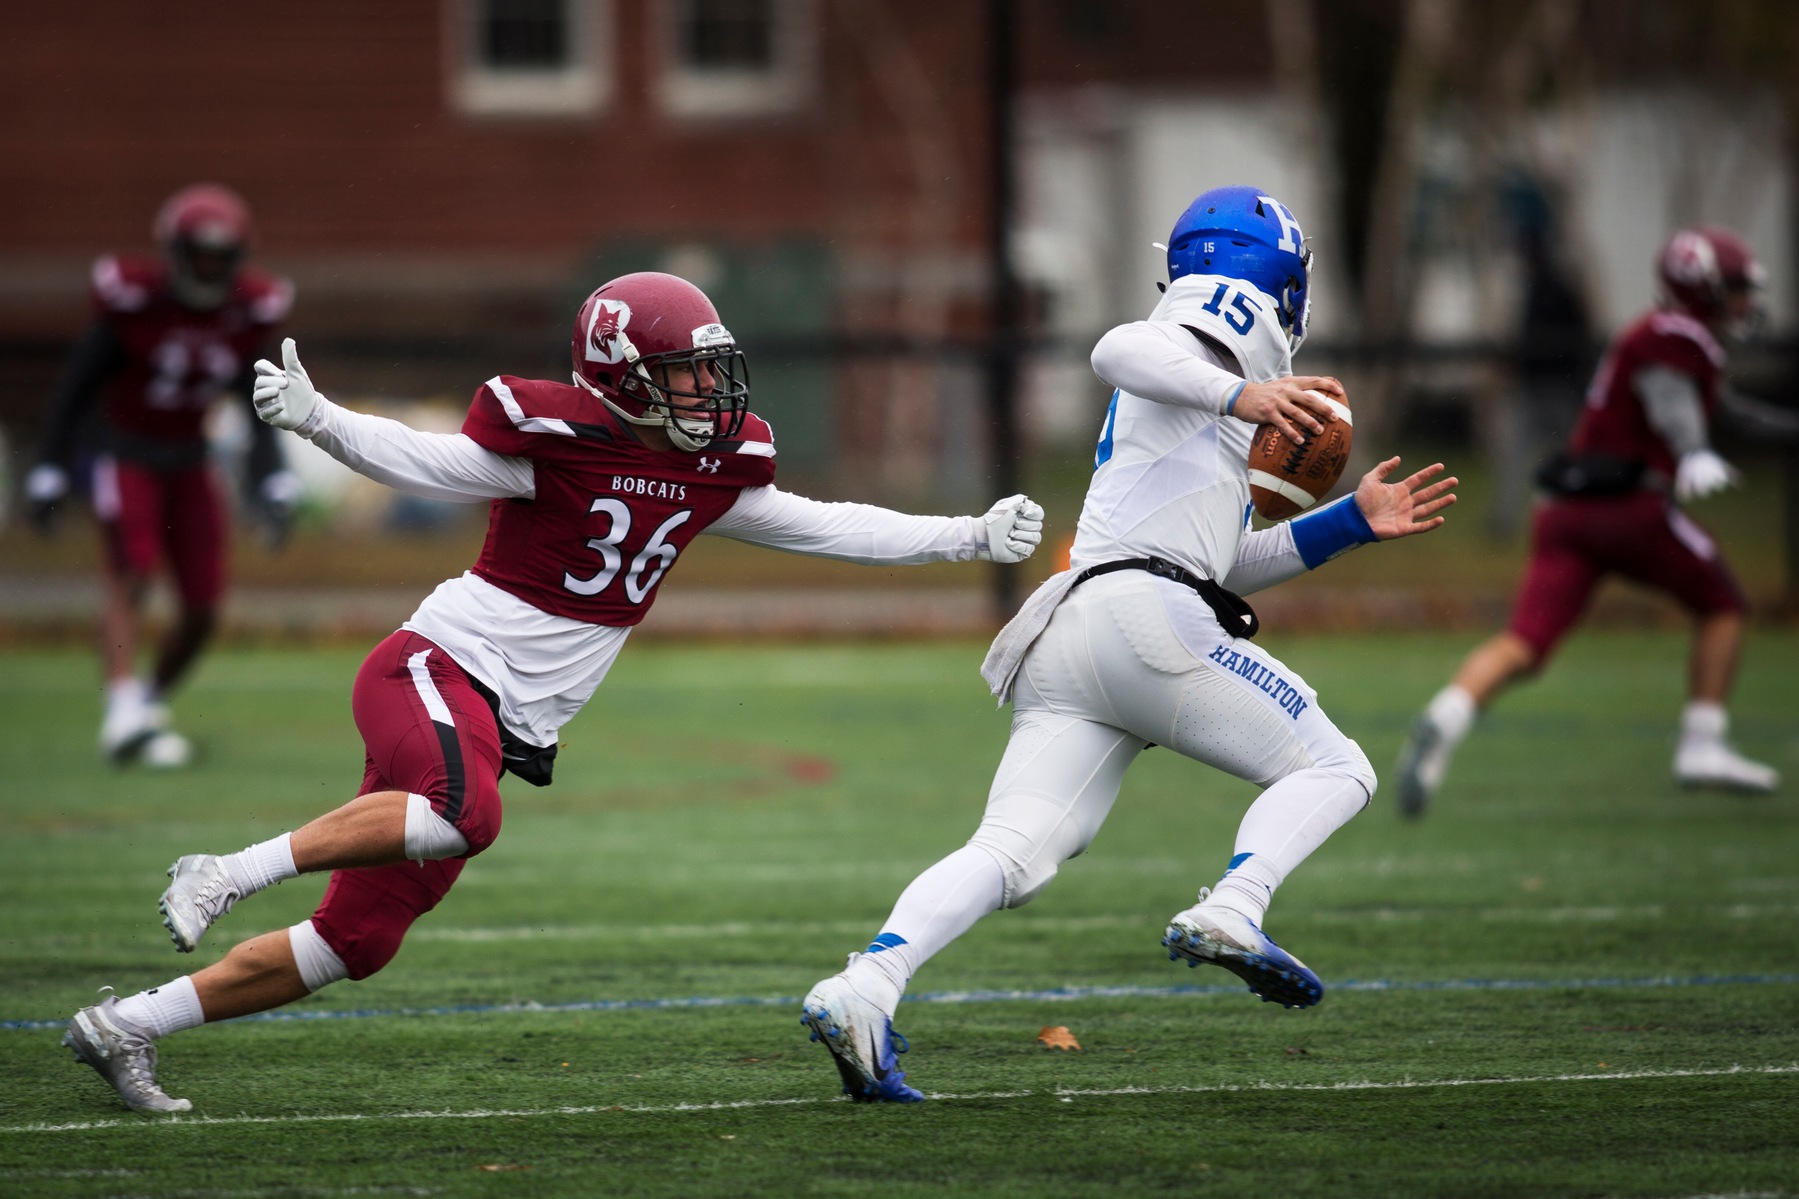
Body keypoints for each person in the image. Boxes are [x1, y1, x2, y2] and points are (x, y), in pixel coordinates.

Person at [60, 271, 1047, 1114]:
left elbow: (831, 525)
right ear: (622, 376)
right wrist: (319, 419)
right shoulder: (555, 440)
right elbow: (428, 459)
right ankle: (225, 868)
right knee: (461, 812)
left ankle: (126, 1024)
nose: (710, 388)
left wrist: (960, 535)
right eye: (687, 371)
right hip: (436, 666)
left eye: (712, 367)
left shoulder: (714, 469)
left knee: (352, 941)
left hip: (503, 716)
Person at [799, 187, 1458, 1102]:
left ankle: (865, 985)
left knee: (1015, 849)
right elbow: (1117, 347)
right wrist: (1246, 390)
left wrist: (1350, 523)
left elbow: (1222, 562)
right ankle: (1234, 904)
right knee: (1336, 768)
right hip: (1144, 614)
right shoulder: (1224, 327)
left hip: (1082, 626)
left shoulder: (1203, 387)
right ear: (1277, 274)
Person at [1396, 226, 1796, 817]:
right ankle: (1703, 742)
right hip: (1626, 507)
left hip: (1564, 510)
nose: (1745, 301)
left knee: (1525, 643)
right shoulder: (1675, 336)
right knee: (1724, 605)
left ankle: (1445, 716)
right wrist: (1690, 451)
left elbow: (1723, 411)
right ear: (1708, 288)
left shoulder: (1656, 333)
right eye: (1737, 288)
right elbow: (1673, 404)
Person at [24, 183, 300, 767]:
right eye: (197, 254)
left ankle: (144, 708)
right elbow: (76, 387)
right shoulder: (134, 301)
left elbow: (262, 406)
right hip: (125, 451)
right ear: (173, 252)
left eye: (218, 257)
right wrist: (48, 464)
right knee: (134, 569)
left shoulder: (248, 312)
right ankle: (121, 705)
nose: (207, 268)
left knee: (203, 606)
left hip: (189, 458)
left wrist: (271, 481)